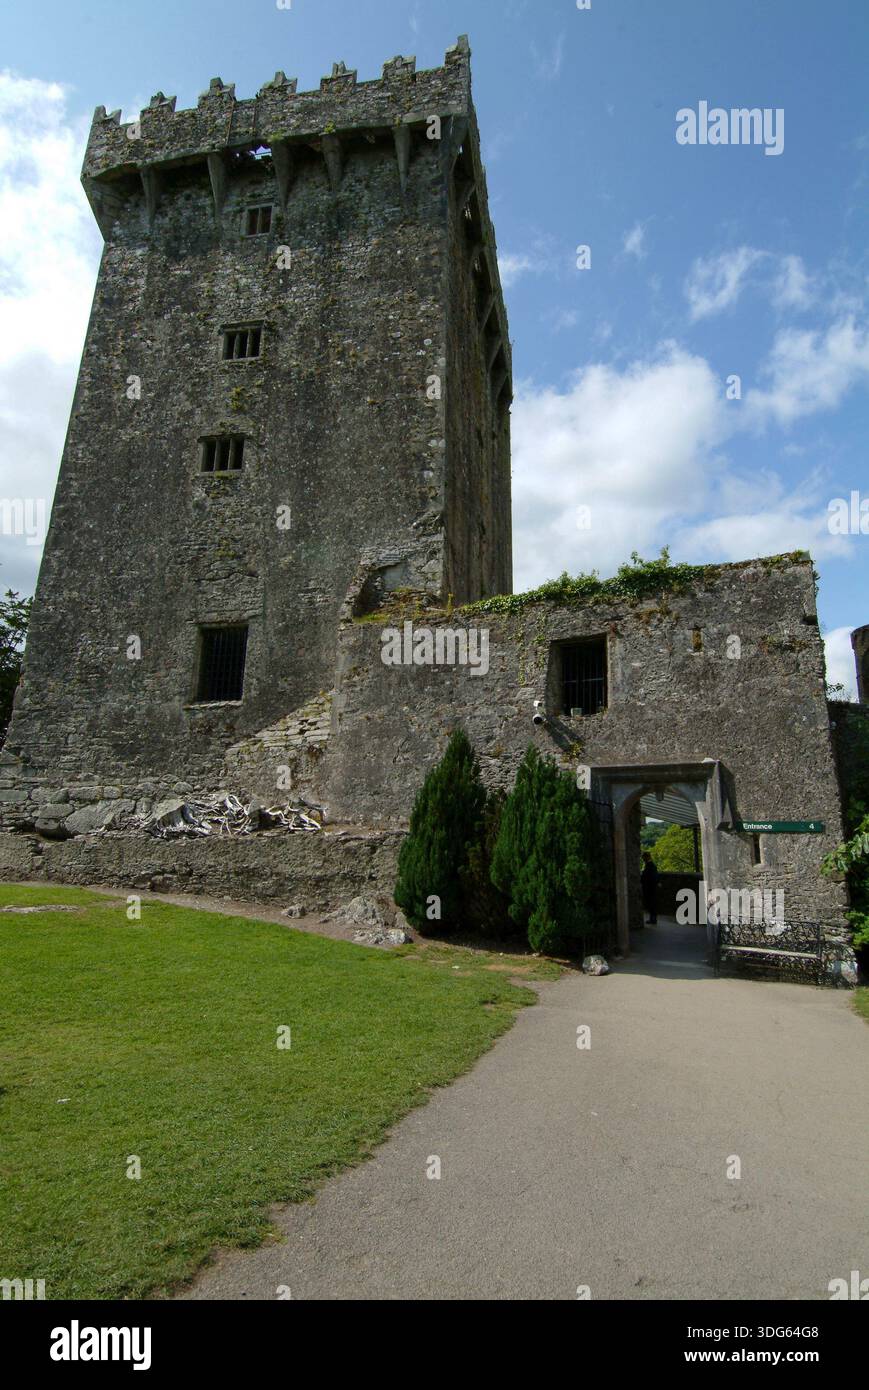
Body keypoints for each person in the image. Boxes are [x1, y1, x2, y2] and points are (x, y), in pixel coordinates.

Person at [641, 851, 659, 924]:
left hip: (650, 888)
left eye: (643, 857)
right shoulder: (652, 865)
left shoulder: (649, 866)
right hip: (652, 887)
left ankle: (653, 919)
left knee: (651, 904)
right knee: (652, 903)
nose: (643, 859)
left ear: (646, 857)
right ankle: (653, 918)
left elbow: (647, 877)